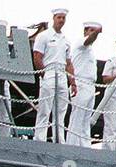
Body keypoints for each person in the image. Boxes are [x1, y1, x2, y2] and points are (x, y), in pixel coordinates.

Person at [30, 7, 74, 143]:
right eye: (59, 17)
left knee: (61, 110)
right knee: (45, 108)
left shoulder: (66, 40)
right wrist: (44, 74)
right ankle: (40, 139)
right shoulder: (44, 36)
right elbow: (37, 56)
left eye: (63, 18)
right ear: (53, 18)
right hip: (49, 71)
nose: (61, 20)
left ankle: (59, 139)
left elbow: (68, 63)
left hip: (62, 73)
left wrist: (73, 81)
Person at [65, 21, 100, 146]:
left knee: (86, 120)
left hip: (90, 85)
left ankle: (84, 146)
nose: (92, 33)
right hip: (80, 83)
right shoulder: (80, 42)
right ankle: (72, 145)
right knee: (77, 117)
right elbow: (89, 39)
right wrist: (97, 31)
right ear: (85, 31)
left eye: (93, 30)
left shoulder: (90, 50)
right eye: (90, 30)